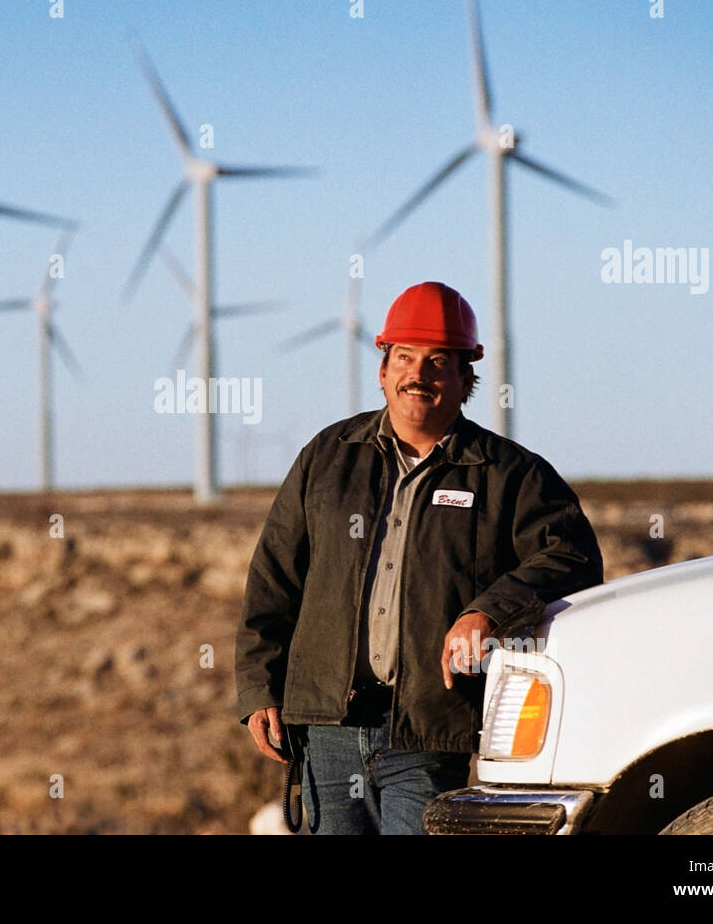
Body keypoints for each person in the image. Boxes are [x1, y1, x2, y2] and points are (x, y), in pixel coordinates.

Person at [235, 281, 603, 834]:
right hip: (326, 728)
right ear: (383, 370)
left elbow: (571, 554)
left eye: (438, 361)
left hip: (429, 732)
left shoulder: (508, 472)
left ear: (465, 379)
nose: (419, 374)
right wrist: (259, 688)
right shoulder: (327, 458)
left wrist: (488, 611)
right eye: (404, 357)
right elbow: (274, 579)